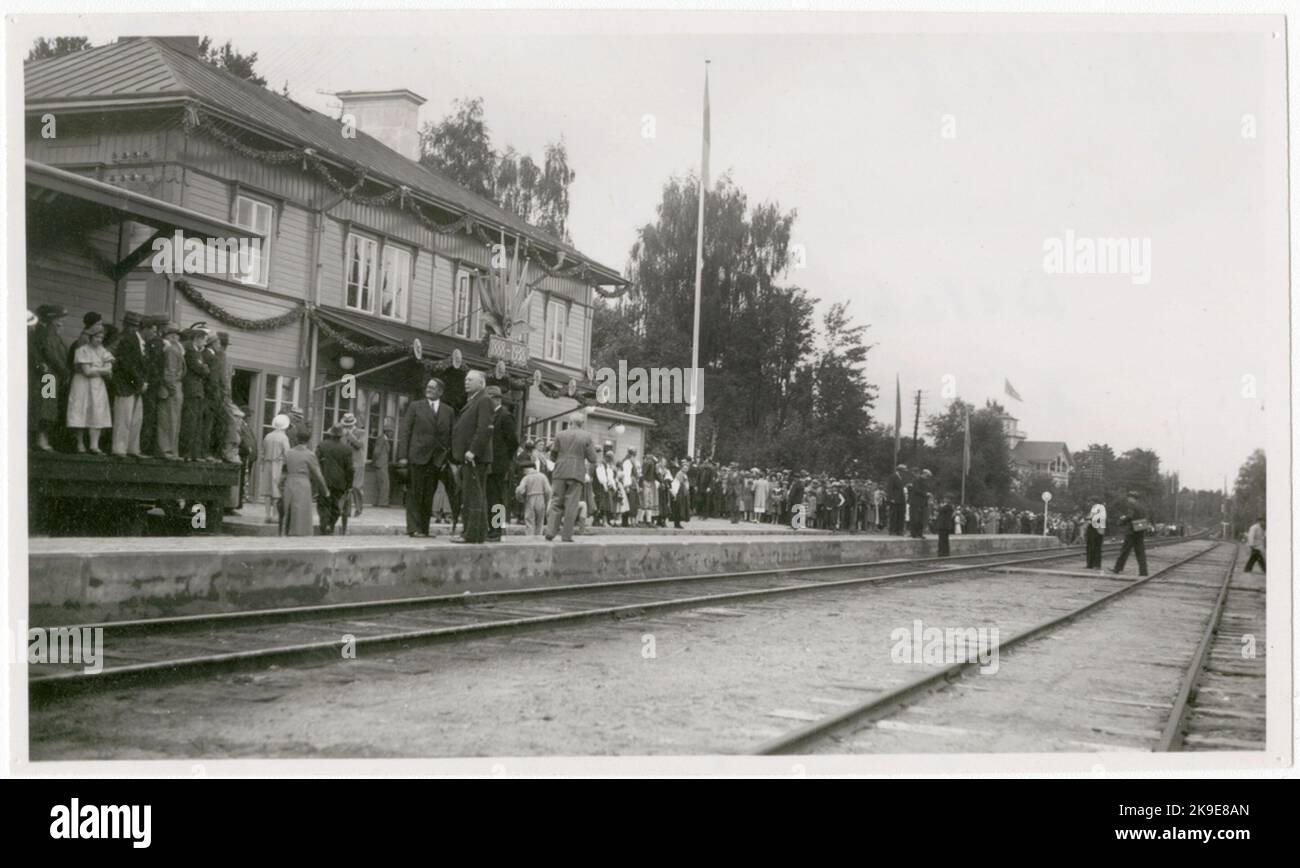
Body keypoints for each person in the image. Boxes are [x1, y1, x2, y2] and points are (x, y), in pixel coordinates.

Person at [398, 378, 456, 537]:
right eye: (428, 387)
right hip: (417, 457)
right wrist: (402, 456)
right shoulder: (415, 406)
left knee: (428, 495)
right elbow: (405, 432)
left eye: (433, 388)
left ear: (440, 392)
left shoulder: (448, 411)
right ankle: (414, 528)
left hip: (436, 460)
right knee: (415, 493)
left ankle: (424, 529)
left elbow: (451, 436)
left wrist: (446, 457)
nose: (429, 389)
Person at [451, 370, 494, 544]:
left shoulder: (484, 400)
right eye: (465, 379)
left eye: (470, 379)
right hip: (470, 456)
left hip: (476, 457)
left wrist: (473, 450)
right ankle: (475, 533)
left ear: (481, 383)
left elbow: (484, 428)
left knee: (473, 496)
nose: (466, 382)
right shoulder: (474, 400)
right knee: (470, 495)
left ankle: (471, 534)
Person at [545, 412, 599, 542]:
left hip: (560, 470)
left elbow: (553, 455)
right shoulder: (587, 436)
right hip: (576, 472)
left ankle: (550, 532)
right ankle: (566, 535)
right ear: (582, 424)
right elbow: (593, 458)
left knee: (556, 501)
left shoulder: (560, 434)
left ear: (570, 422)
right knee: (571, 504)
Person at [67, 321, 114, 453]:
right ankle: (80, 443)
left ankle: (94, 445)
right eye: (96, 337)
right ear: (90, 337)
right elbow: (87, 371)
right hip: (82, 384)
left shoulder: (103, 351)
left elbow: (109, 368)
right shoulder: (82, 350)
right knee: (81, 410)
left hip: (97, 385)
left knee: (97, 412)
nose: (99, 340)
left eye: (101, 338)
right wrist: (102, 369)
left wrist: (96, 369)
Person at [30, 304, 71, 452]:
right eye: (59, 319)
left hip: (52, 377)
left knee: (47, 407)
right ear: (52, 319)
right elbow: (51, 355)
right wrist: (64, 371)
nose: (61, 322)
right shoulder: (46, 334)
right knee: (45, 408)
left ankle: (42, 438)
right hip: (48, 377)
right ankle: (41, 439)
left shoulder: (51, 334)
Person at [108, 311, 149, 458]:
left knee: (134, 418)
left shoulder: (134, 340)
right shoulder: (122, 339)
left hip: (132, 384)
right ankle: (120, 448)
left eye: (135, 326)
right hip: (123, 383)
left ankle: (131, 448)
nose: (132, 328)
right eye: (131, 325)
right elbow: (123, 363)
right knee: (123, 417)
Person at [484, 387, 518, 541]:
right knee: (490, 496)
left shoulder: (505, 416)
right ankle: (491, 528)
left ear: (497, 399)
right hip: (489, 463)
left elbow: (513, 442)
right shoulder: (491, 415)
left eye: (490, 398)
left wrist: (505, 460)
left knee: (496, 497)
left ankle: (496, 530)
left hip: (498, 464)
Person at [280, 428, 327, 537]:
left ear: (296, 439)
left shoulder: (289, 453)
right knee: (302, 509)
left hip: (290, 481)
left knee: (289, 507)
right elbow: (318, 474)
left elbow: (283, 470)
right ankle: (300, 532)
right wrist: (324, 488)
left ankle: (288, 531)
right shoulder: (310, 454)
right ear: (309, 440)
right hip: (303, 482)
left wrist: (280, 484)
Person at [179, 326, 210, 461]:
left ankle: (192, 453)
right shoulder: (191, 351)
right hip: (191, 391)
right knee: (190, 423)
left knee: (195, 423)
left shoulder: (195, 351)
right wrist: (204, 367)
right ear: (197, 338)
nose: (205, 343)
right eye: (204, 339)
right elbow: (201, 369)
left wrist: (203, 367)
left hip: (196, 392)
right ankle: (186, 452)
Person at [154, 322, 185, 459]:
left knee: (172, 420)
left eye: (176, 335)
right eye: (173, 335)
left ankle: (171, 450)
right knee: (168, 420)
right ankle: (167, 450)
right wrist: (173, 389)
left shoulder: (176, 349)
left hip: (174, 387)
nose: (175, 338)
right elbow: (169, 372)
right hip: (171, 389)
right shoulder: (172, 350)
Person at [316, 424, 354, 535]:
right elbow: (350, 469)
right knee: (335, 505)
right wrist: (349, 484)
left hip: (324, 480)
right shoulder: (347, 449)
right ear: (341, 436)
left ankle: (325, 525)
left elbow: (315, 463)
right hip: (339, 482)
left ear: (330, 434)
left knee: (323, 504)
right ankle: (330, 524)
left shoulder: (322, 446)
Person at [260, 414, 291, 524]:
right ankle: (275, 515)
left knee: (267, 491)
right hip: (278, 464)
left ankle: (267, 515)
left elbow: (262, 452)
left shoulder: (268, 436)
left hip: (267, 463)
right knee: (276, 490)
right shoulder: (284, 438)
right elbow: (287, 453)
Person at [1110, 492, 1150, 577]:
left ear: (1132, 498)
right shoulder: (1142, 507)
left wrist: (1122, 520)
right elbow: (1145, 518)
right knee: (1140, 553)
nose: (1128, 499)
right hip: (1140, 531)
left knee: (1124, 551)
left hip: (1132, 532)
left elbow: (1130, 516)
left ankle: (1117, 568)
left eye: (1129, 498)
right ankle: (1143, 572)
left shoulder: (1132, 506)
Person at [339, 412, 367, 517]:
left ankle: (359, 509)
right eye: (345, 424)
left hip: (358, 463)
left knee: (356, 487)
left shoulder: (361, 432)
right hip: (345, 463)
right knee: (346, 487)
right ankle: (346, 510)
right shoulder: (341, 433)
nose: (347, 426)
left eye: (348, 424)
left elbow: (359, 445)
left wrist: (349, 435)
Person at [515, 463, 552, 536]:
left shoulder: (526, 478)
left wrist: (520, 499)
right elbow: (548, 490)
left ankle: (530, 537)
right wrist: (547, 500)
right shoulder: (542, 476)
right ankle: (539, 537)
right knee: (540, 521)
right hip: (541, 498)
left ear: (526, 469)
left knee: (529, 521)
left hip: (530, 499)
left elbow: (519, 490)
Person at [372, 421, 394, 508]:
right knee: (385, 483)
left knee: (381, 483)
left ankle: (380, 502)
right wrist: (375, 462)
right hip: (381, 464)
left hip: (382, 464)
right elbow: (376, 452)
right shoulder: (382, 439)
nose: (392, 434)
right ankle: (383, 503)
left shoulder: (384, 439)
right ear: (387, 431)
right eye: (391, 432)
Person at [908, 469, 931, 540]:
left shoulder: (925, 482)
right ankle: (913, 533)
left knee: (921, 519)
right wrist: (926, 494)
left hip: (922, 503)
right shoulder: (917, 481)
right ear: (924, 474)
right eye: (927, 476)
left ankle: (919, 533)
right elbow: (916, 490)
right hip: (916, 502)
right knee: (915, 518)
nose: (927, 478)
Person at [1085, 500, 1107, 570]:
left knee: (1093, 547)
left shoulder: (1096, 507)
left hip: (1094, 528)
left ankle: (1091, 564)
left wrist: (1087, 518)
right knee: (1096, 547)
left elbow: (1090, 517)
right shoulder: (1102, 508)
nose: (1089, 503)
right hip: (1099, 528)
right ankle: (1094, 564)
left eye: (1090, 502)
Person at [886, 464, 907, 535]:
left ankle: (899, 530)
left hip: (901, 499)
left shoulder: (902, 478)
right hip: (895, 499)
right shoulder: (893, 477)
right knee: (893, 515)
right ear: (899, 470)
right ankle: (892, 530)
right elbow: (889, 488)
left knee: (901, 515)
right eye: (903, 471)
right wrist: (891, 498)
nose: (904, 473)